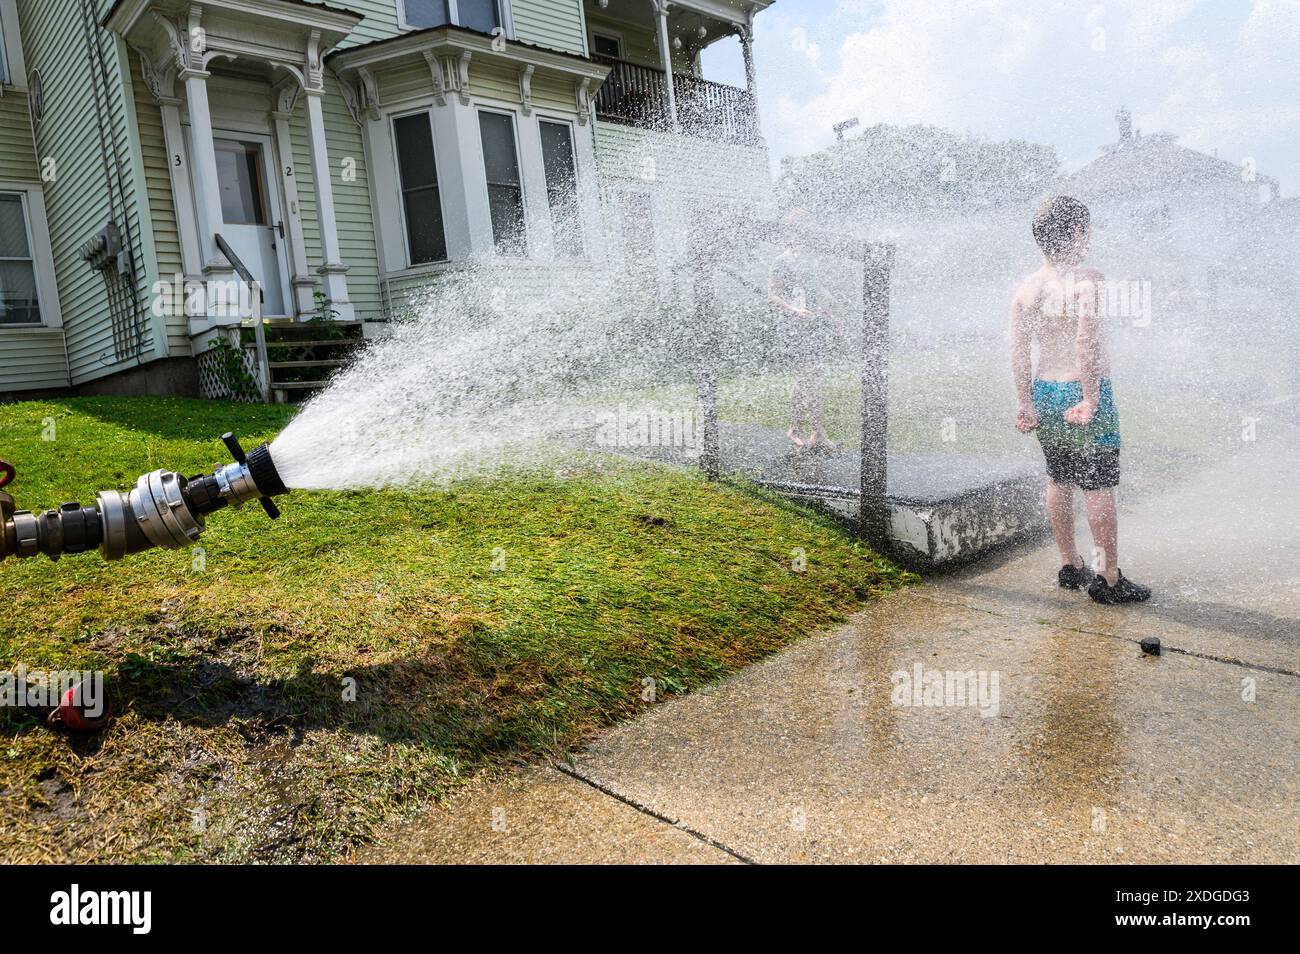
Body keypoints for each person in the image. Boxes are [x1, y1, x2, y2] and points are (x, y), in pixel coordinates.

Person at [1010, 196, 1151, 604]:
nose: (1089, 238)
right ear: (1075, 232)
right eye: (1086, 230)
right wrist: (1090, 398)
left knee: (1059, 477)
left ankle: (1071, 566)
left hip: (1044, 391)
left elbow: (1019, 353)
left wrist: (1025, 403)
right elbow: (1085, 341)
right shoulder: (1088, 279)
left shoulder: (1027, 289)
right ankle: (1107, 579)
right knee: (1099, 484)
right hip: (1081, 391)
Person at [768, 207, 836, 452]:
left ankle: (812, 431)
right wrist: (795, 311)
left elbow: (816, 288)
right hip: (793, 327)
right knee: (806, 378)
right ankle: (804, 430)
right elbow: (772, 295)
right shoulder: (782, 260)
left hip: (813, 325)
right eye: (805, 229)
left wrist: (827, 304)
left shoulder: (809, 259)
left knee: (813, 379)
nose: (810, 233)